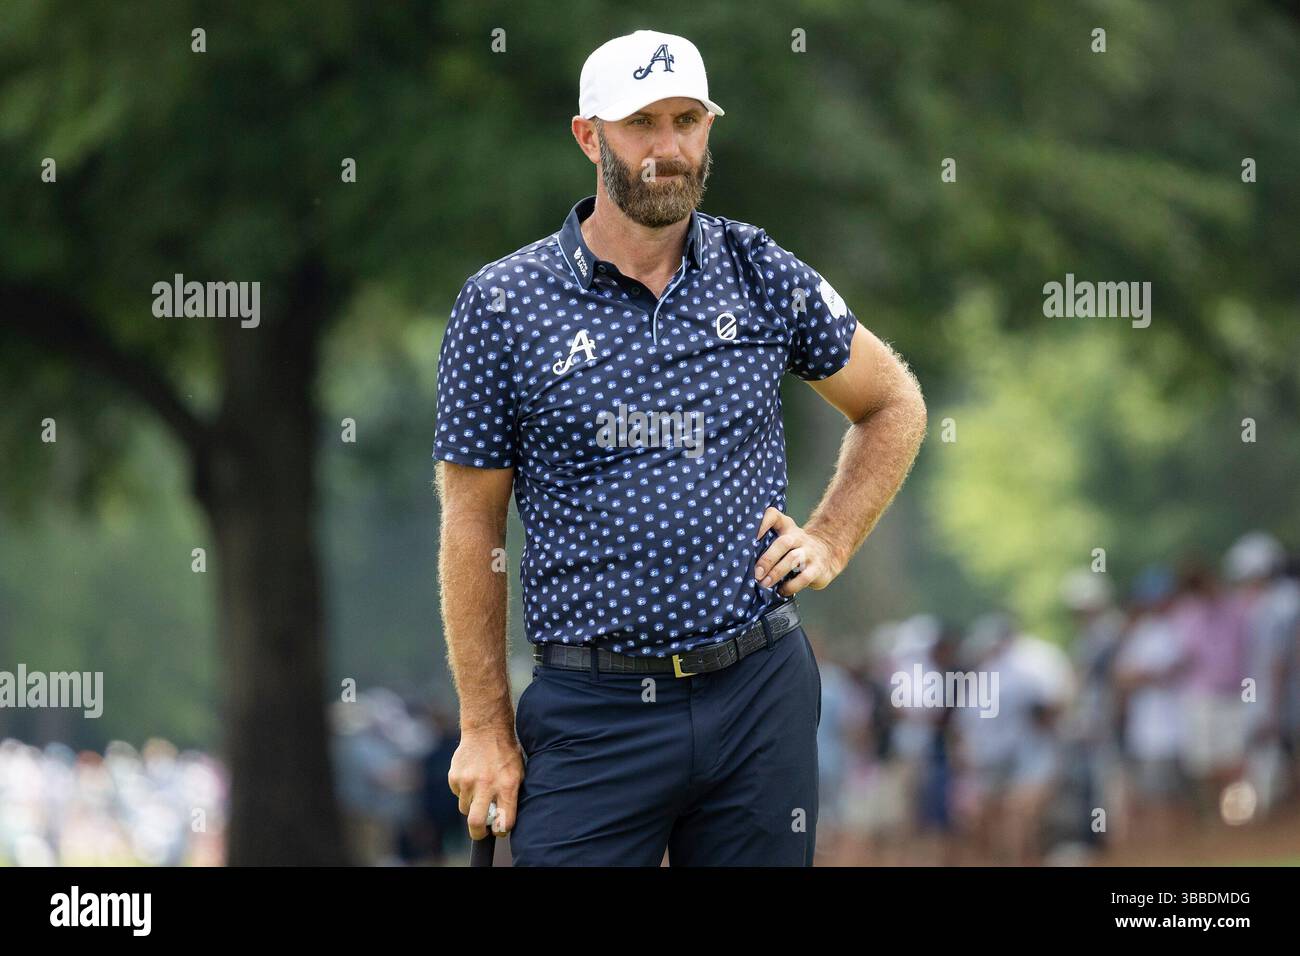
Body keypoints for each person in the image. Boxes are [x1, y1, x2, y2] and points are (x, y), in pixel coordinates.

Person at [432, 29, 928, 865]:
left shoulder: (760, 271)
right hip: (593, 713)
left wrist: (833, 536)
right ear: (590, 135)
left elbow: (892, 403)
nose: (668, 148)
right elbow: (470, 525)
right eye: (642, 123)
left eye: (687, 120)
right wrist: (483, 726)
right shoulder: (502, 305)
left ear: (709, 129)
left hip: (757, 692)